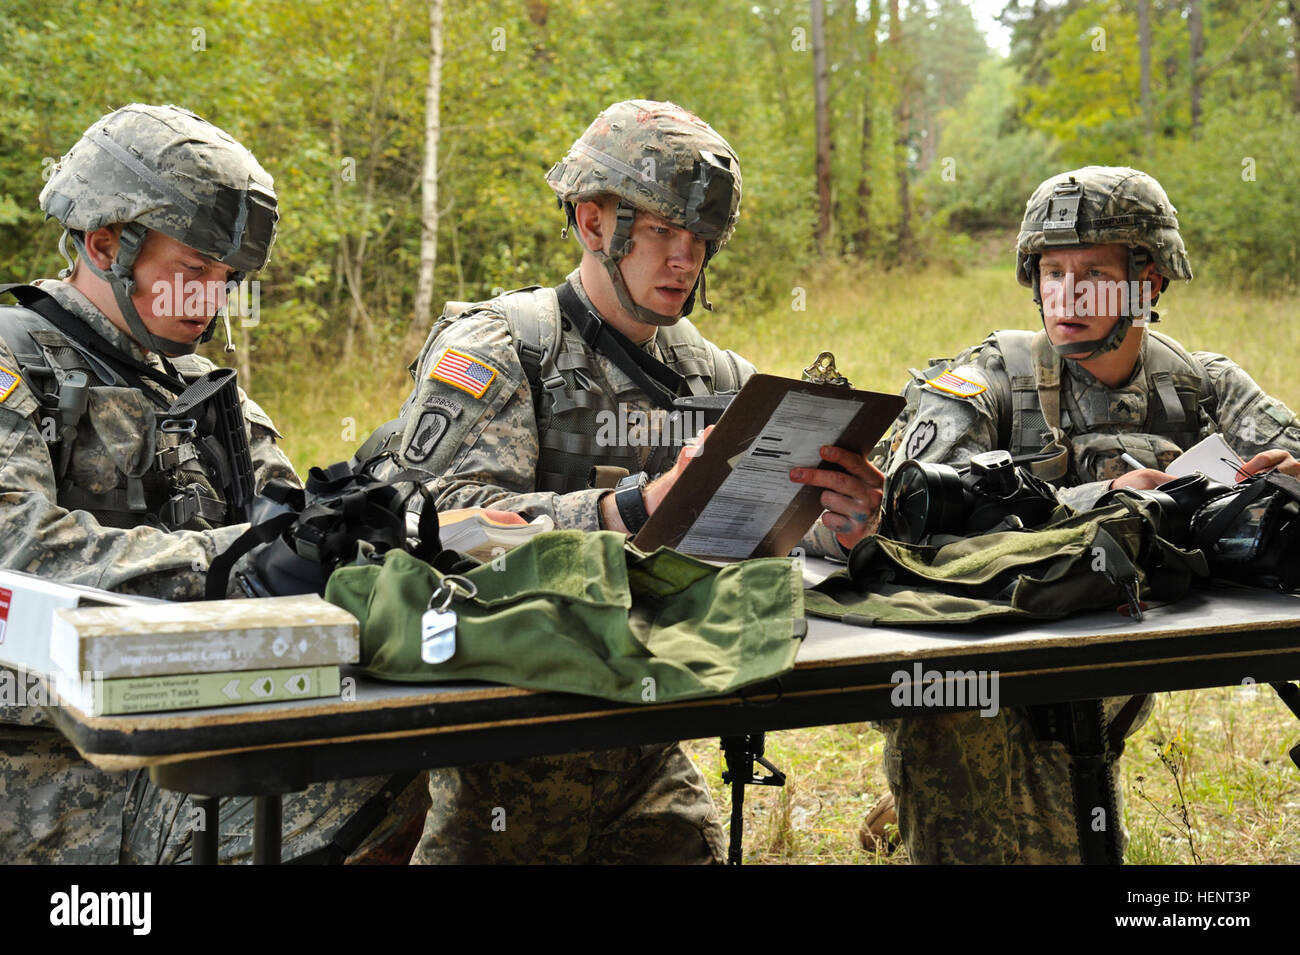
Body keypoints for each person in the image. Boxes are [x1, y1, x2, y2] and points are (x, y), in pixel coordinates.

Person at [392, 99, 885, 863]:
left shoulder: (713, 375)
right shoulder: (503, 347)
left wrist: (842, 520)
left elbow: (767, 515)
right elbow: (438, 529)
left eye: (699, 238)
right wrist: (631, 507)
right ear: (594, 225)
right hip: (505, 744)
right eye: (660, 230)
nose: (684, 259)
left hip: (641, 741)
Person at [0, 103, 423, 864]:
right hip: (51, 769)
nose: (213, 300)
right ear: (105, 243)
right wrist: (233, 563)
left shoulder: (204, 388)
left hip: (199, 715)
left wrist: (342, 525)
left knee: (387, 768)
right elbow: (20, 557)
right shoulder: (15, 369)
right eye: (193, 272)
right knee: (338, 798)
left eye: (225, 279)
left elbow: (283, 519)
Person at [868, 165, 1300, 864]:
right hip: (974, 667)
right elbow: (911, 526)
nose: (1065, 294)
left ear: (1149, 282)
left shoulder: (1202, 386)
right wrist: (1097, 505)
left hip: (1104, 675)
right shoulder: (984, 381)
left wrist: (1287, 480)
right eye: (1050, 272)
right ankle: (928, 790)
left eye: (1092, 273)